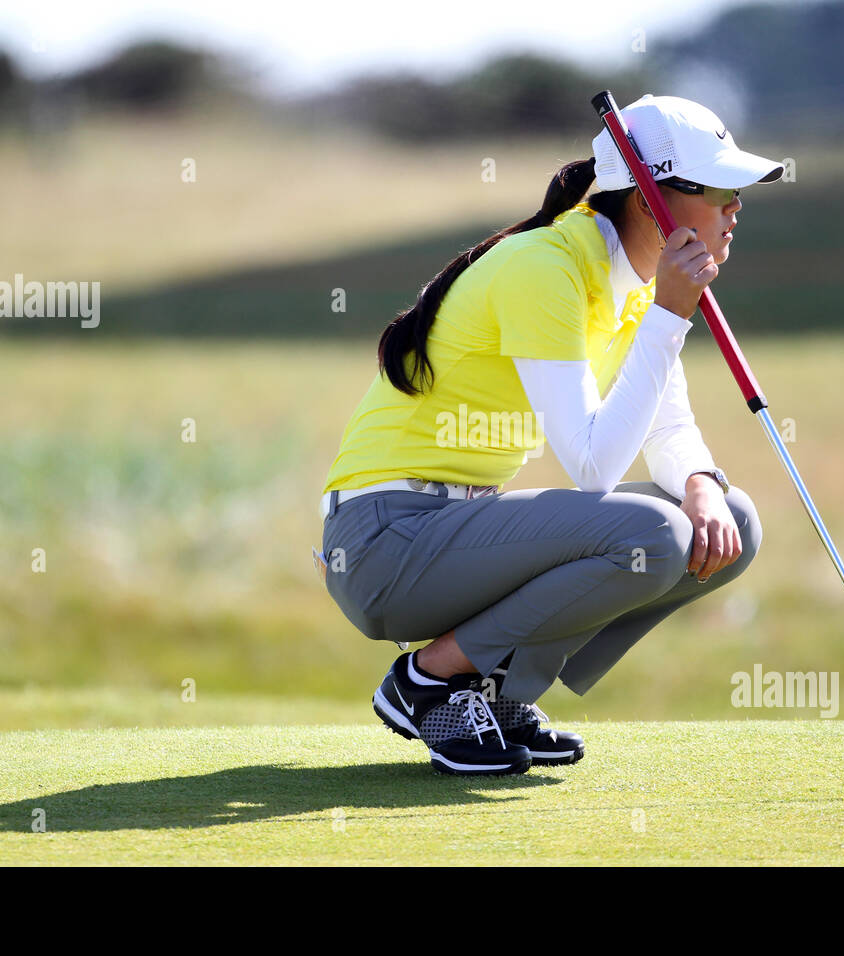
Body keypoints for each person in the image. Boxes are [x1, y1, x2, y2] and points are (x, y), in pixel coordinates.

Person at [317, 94, 782, 775]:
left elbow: (670, 425)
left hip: (456, 533)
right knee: (653, 536)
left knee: (727, 520)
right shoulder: (549, 269)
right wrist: (671, 318)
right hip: (384, 540)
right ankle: (430, 681)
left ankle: (502, 696)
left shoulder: (631, 287)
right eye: (719, 190)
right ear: (652, 198)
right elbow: (593, 469)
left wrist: (702, 484)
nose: (736, 207)